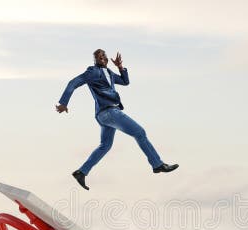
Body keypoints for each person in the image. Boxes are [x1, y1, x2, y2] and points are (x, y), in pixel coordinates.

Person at [56, 49, 178, 190]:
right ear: (94, 60)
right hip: (109, 112)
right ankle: (157, 164)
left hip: (104, 115)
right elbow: (73, 83)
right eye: (98, 57)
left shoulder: (110, 74)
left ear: (107, 59)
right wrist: (64, 103)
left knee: (105, 145)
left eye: (103, 56)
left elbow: (125, 82)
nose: (101, 58)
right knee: (139, 132)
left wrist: (120, 67)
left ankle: (82, 172)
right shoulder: (92, 72)